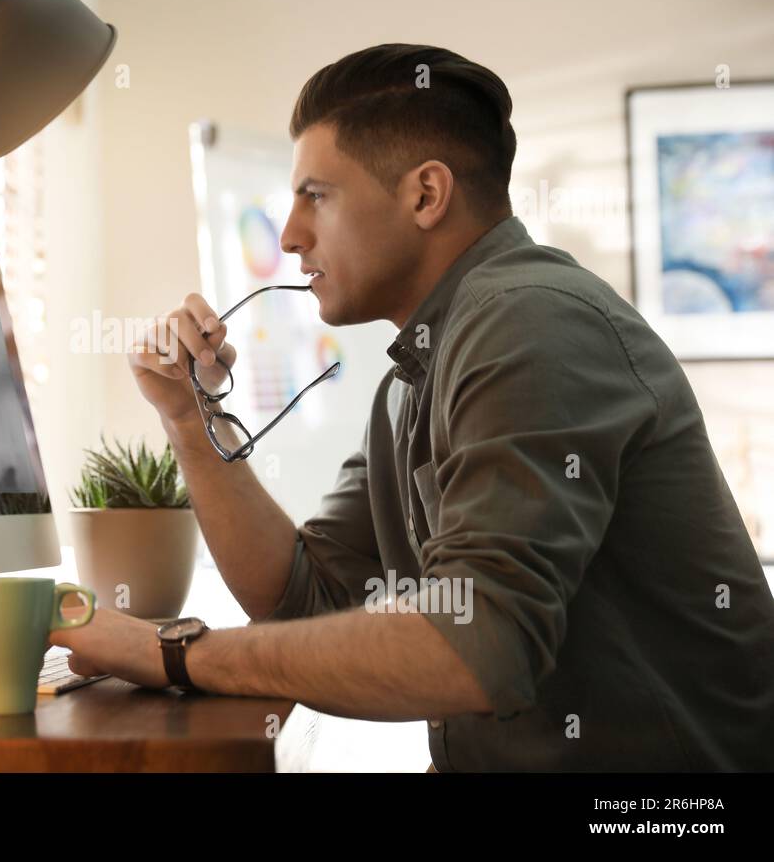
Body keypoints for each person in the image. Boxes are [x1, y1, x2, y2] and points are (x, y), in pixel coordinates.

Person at [50, 43, 774, 771]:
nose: (290, 235)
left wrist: (166, 651)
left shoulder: (531, 324)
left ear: (426, 195)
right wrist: (187, 419)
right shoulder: (414, 378)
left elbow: (476, 648)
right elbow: (306, 599)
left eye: (316, 197)